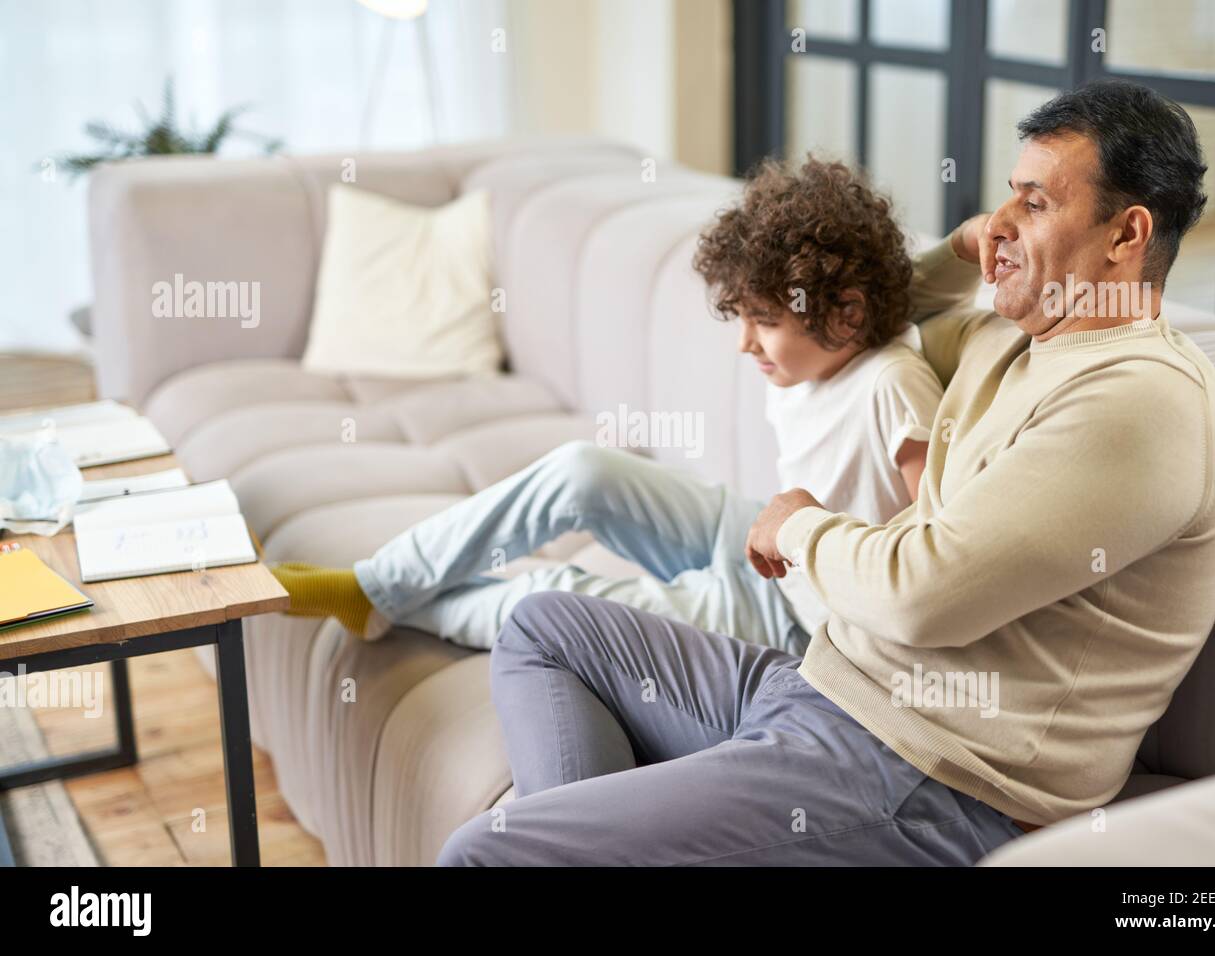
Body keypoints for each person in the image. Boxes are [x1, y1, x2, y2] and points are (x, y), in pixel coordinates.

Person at [437, 80, 1215, 866]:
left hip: (929, 779)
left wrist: (797, 524)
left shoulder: (1138, 401)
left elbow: (927, 594)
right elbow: (865, 312)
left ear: (1125, 235)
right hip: (825, 686)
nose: (1002, 220)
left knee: (486, 854)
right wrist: (974, 247)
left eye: (1034, 203)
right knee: (544, 628)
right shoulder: (1016, 338)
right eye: (1007, 195)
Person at [271, 157, 950, 656]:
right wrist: (967, 249)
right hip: (754, 539)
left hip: (800, 621)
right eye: (740, 317)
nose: (744, 343)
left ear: (847, 312)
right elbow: (906, 281)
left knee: (554, 599)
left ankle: (395, 606)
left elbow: (937, 556)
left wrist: (813, 541)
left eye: (763, 320)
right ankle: (375, 584)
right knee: (580, 471)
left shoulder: (892, 385)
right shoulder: (811, 360)